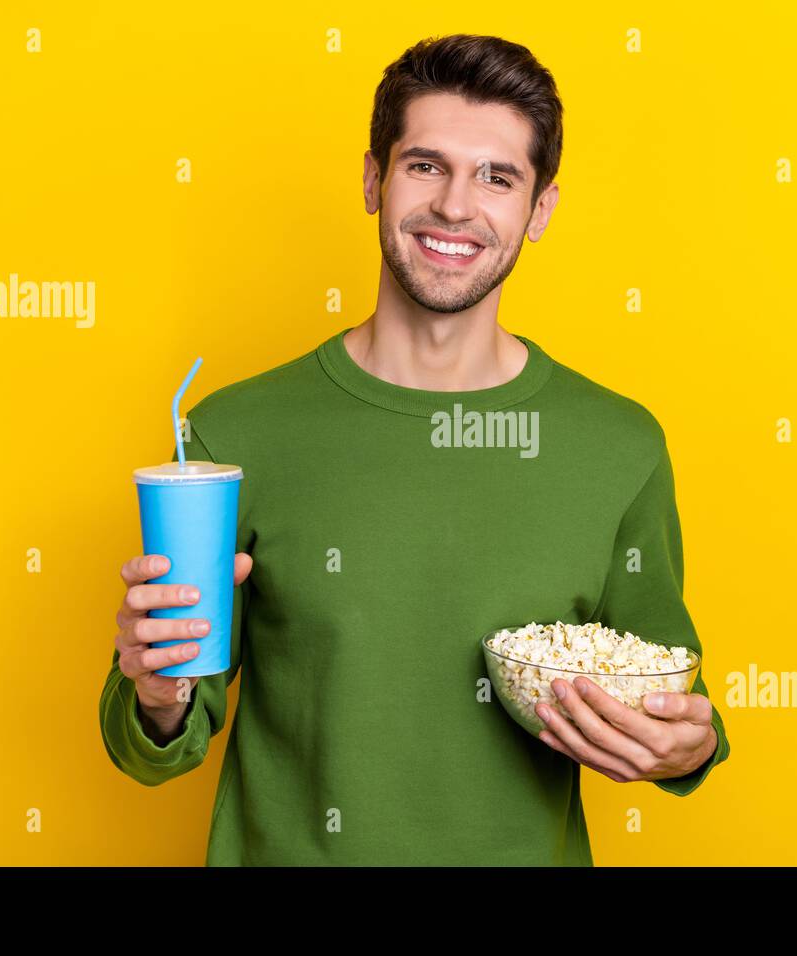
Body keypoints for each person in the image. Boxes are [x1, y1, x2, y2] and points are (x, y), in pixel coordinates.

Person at [100, 33, 730, 865]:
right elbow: (159, 741)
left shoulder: (619, 445)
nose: (456, 207)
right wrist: (157, 690)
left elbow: (672, 688)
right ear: (374, 180)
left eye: (497, 177)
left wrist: (693, 746)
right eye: (426, 165)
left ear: (539, 210)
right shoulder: (234, 435)